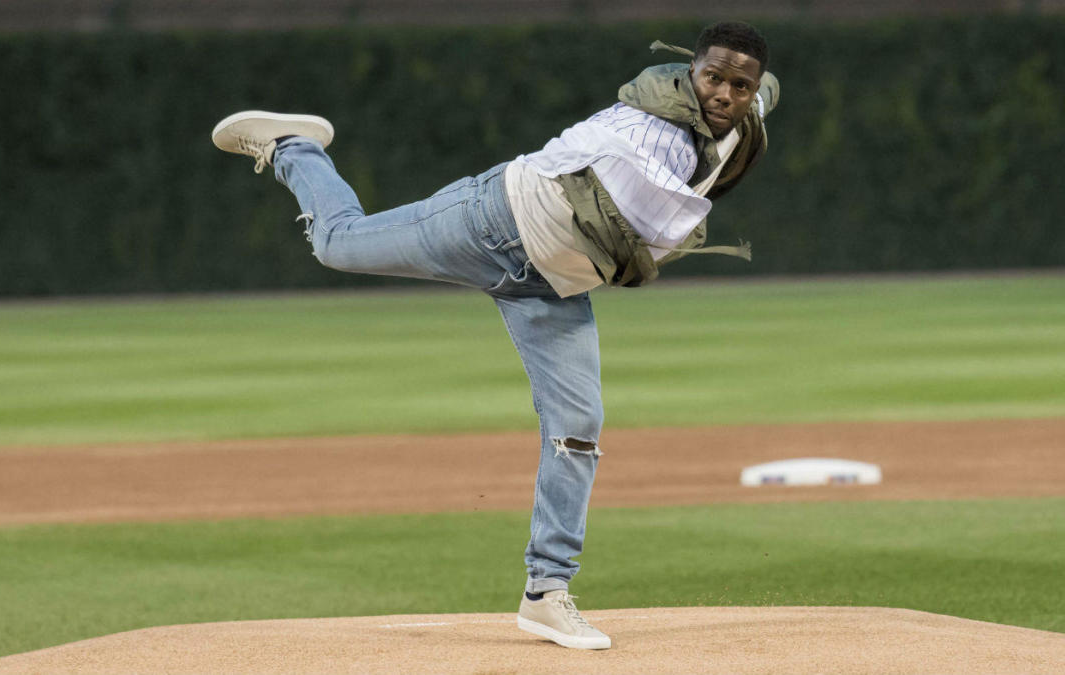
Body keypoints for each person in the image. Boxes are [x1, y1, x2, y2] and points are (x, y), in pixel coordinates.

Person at [212, 20, 778, 650]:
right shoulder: (655, 131)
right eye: (712, 77)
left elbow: (761, 92)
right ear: (690, 73)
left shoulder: (741, 115)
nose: (724, 93)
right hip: (493, 223)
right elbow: (631, 233)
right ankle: (296, 146)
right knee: (337, 244)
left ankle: (547, 592)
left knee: (579, 426)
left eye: (740, 85)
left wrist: (758, 95)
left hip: (552, 283)